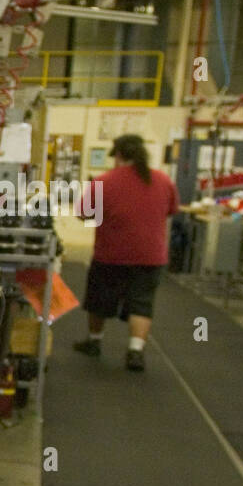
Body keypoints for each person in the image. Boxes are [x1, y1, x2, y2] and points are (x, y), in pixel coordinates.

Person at [72, 134, 179, 372]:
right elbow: (171, 210)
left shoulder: (104, 181)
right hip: (151, 256)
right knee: (141, 303)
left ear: (117, 155)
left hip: (111, 254)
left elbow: (83, 214)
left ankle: (94, 342)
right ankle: (135, 351)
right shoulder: (162, 179)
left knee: (99, 300)